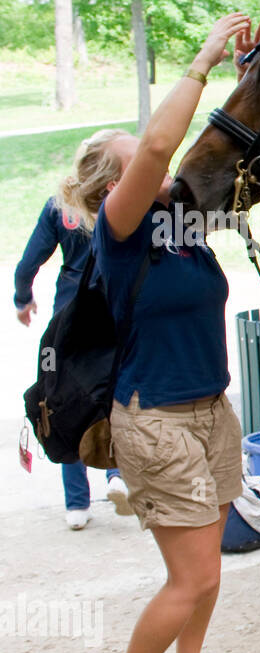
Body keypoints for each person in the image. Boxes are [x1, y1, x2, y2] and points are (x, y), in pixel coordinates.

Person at [53, 11, 258, 653]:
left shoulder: (183, 219)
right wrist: (200, 57)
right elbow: (166, 140)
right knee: (193, 575)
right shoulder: (121, 227)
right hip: (156, 420)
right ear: (119, 181)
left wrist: (247, 80)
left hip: (211, 410)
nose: (154, 155)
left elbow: (232, 154)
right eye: (135, 154)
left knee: (208, 574)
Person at [16, 187, 132, 528]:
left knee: (63, 399)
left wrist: (22, 298)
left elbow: (28, 263)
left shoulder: (59, 205)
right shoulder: (125, 197)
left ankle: (77, 505)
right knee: (114, 392)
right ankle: (116, 473)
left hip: (67, 315)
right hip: (112, 307)